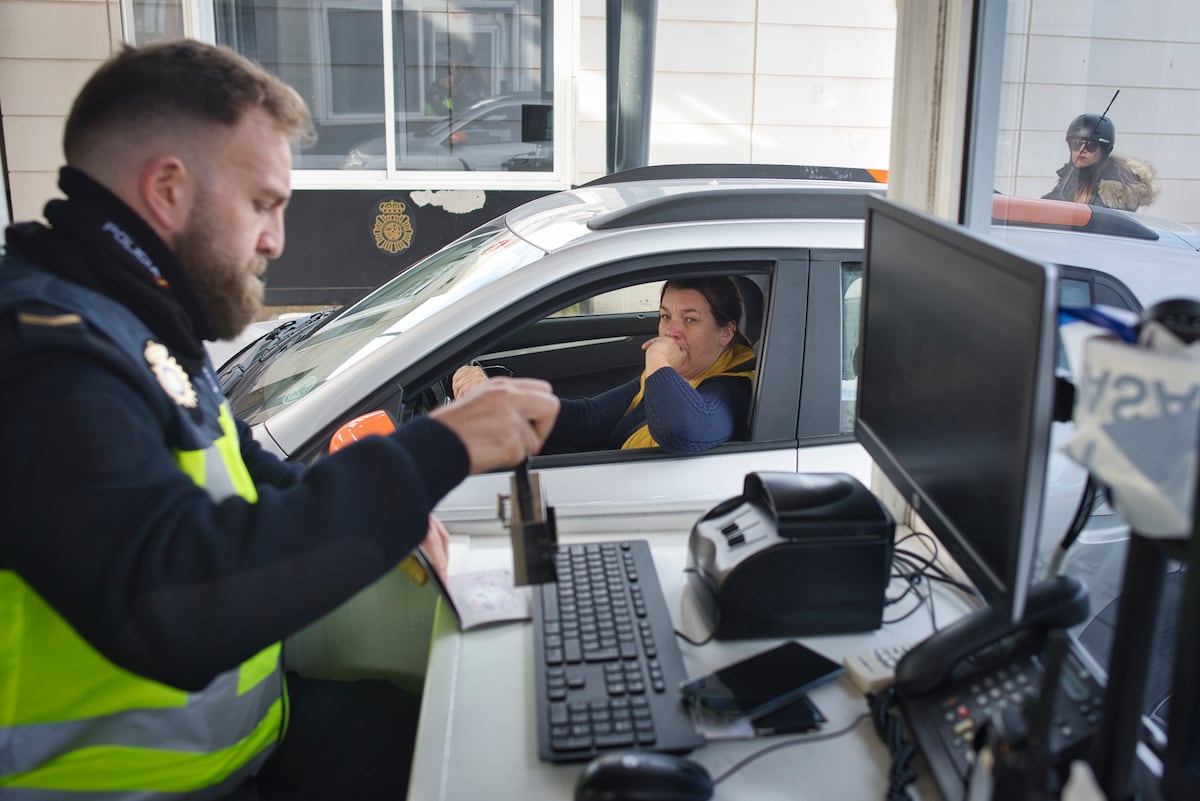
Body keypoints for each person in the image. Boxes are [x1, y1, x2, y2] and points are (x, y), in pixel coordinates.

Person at [0, 40, 559, 800]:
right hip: (121, 788)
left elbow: (244, 476)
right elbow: (173, 602)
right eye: (263, 203)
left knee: (479, 739)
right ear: (167, 188)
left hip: (248, 744)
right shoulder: (47, 360)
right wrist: (433, 451)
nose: (276, 239)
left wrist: (382, 503)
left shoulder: (134, 320)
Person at [453, 277, 757, 454]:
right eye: (665, 316)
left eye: (689, 320)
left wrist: (658, 360)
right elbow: (590, 418)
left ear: (725, 333)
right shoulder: (674, 374)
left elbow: (685, 429)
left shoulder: (733, 385)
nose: (670, 332)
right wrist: (498, 397)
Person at [1042, 113, 1158, 211]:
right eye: (1076, 143)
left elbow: (1097, 228)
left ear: (1105, 150)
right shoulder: (1069, 178)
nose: (1082, 150)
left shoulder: (1115, 188)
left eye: (1091, 145)